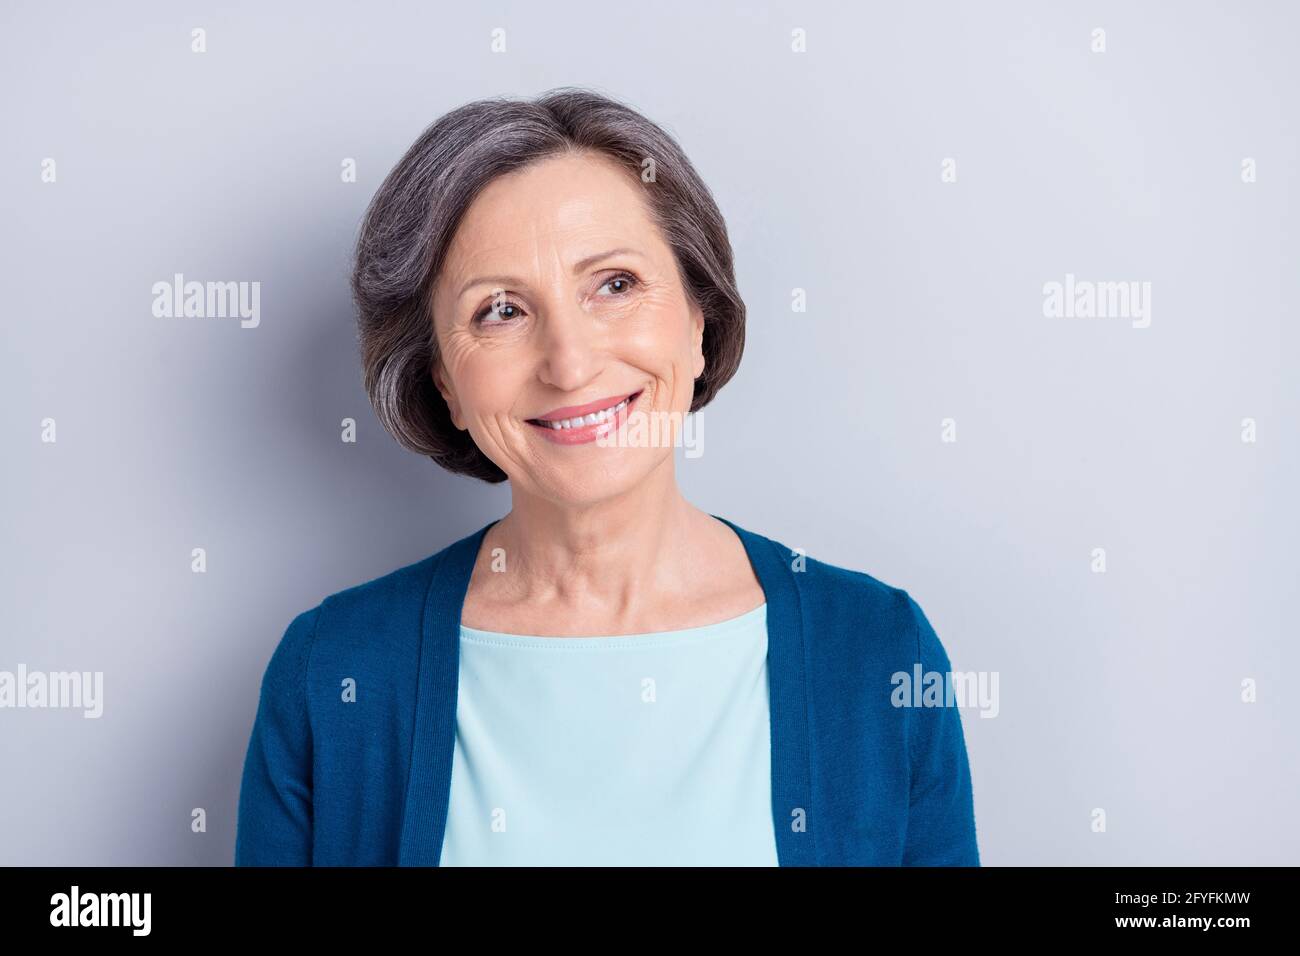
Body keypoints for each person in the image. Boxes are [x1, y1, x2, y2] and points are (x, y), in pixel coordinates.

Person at [235, 87, 979, 866]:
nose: (570, 362)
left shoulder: (878, 655)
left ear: (699, 321)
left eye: (614, 285)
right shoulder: (335, 672)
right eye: (500, 311)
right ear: (445, 383)